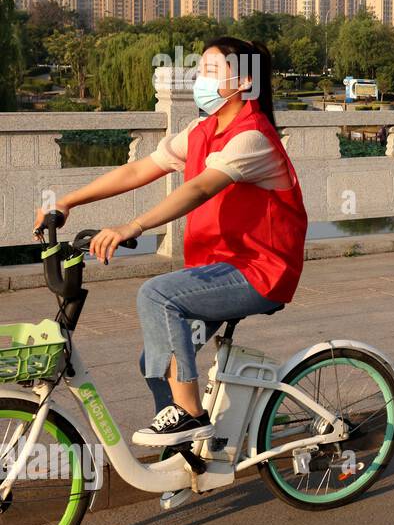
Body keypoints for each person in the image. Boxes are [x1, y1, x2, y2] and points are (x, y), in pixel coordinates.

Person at [35, 37, 308, 446]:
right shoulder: (202, 129)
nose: (199, 79)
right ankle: (184, 455)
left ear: (243, 82)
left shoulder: (252, 138)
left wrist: (134, 226)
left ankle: (190, 415)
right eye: (199, 70)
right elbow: (138, 170)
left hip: (259, 272)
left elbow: (198, 190)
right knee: (154, 359)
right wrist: (68, 200)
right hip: (216, 270)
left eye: (210, 72)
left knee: (158, 295)